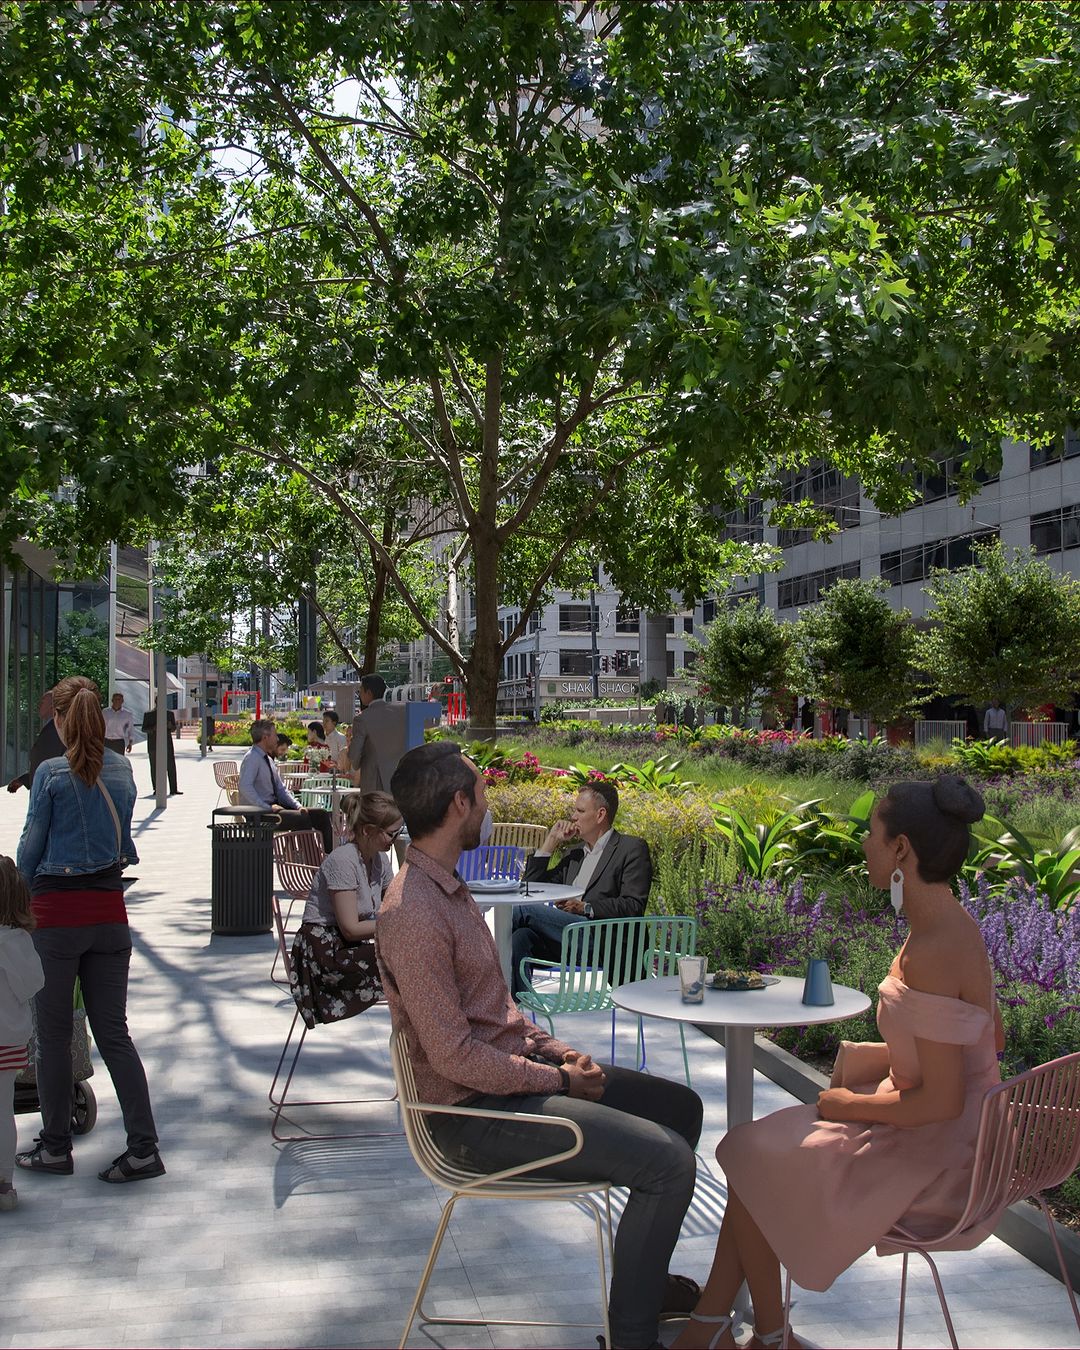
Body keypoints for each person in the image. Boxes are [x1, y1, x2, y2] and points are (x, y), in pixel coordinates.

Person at [377, 742, 703, 1350]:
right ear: (458, 804)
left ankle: (641, 1282)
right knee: (667, 1162)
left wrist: (557, 1053)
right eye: (483, 795)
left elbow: (498, 1018)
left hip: (509, 1082)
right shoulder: (414, 911)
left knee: (680, 1109)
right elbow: (454, 1057)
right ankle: (633, 1336)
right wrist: (558, 1082)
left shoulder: (448, 890)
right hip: (470, 1116)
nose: (488, 807)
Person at [671, 776, 1004, 1350]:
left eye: (871, 834)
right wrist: (874, 1068)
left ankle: (743, 1336)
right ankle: (730, 1333)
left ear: (901, 848)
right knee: (755, 1155)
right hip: (943, 1129)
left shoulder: (934, 947)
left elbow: (944, 1100)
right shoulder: (941, 927)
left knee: (753, 1157)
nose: (865, 846)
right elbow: (982, 1042)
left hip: (946, 1157)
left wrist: (847, 1102)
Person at [14, 676, 164, 1183]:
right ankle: (144, 1147)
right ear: (100, 720)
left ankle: (55, 1147)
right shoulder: (122, 771)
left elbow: (29, 854)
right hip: (109, 916)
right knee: (115, 1034)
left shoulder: (50, 774)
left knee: (52, 1037)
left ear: (59, 721)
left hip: (55, 921)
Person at [512, 780, 652, 996]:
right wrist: (550, 842)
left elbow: (633, 905)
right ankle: (518, 1009)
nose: (573, 817)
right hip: (569, 939)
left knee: (521, 911)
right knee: (520, 936)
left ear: (600, 815)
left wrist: (585, 907)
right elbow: (530, 889)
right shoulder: (574, 854)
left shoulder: (631, 848)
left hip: (603, 941)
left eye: (579, 811)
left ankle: (470, 955)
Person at [289, 792, 402, 1029]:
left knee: (411, 958)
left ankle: (418, 1038)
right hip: (323, 953)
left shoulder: (379, 860)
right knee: (403, 964)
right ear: (367, 830)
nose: (395, 839)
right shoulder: (343, 860)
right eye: (392, 833)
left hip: (346, 946)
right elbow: (351, 928)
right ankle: (416, 1040)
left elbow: (394, 905)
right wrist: (396, 923)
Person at [0, 857, 45, 1212]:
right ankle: (4, 1185)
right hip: (7, 1039)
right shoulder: (15, 941)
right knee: (3, 1112)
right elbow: (32, 984)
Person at [237, 719, 335, 855]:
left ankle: (330, 857)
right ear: (265, 738)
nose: (277, 738)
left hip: (274, 808)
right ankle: (313, 861)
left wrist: (298, 806)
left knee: (320, 815)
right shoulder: (252, 758)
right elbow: (245, 787)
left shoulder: (268, 759)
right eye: (274, 735)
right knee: (301, 819)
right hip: (259, 813)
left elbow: (281, 789)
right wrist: (266, 807)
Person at [349, 675, 406, 792]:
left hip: (374, 779)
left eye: (361, 691)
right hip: (400, 776)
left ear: (368, 693)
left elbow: (354, 755)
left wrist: (355, 763)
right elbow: (430, 721)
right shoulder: (402, 711)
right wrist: (433, 699)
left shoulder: (362, 719)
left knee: (375, 809)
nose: (359, 695)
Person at [6, 692, 65, 793]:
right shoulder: (52, 728)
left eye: (42, 702)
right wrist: (23, 780)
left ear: (52, 707)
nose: (39, 705)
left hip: (46, 792)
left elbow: (48, 764)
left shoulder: (54, 730)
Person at [140, 704, 180, 796]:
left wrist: (170, 726)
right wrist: (153, 728)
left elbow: (173, 728)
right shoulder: (148, 714)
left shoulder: (169, 714)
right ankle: (156, 789)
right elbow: (144, 729)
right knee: (154, 767)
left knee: (171, 766)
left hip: (167, 744)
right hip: (153, 744)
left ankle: (173, 789)